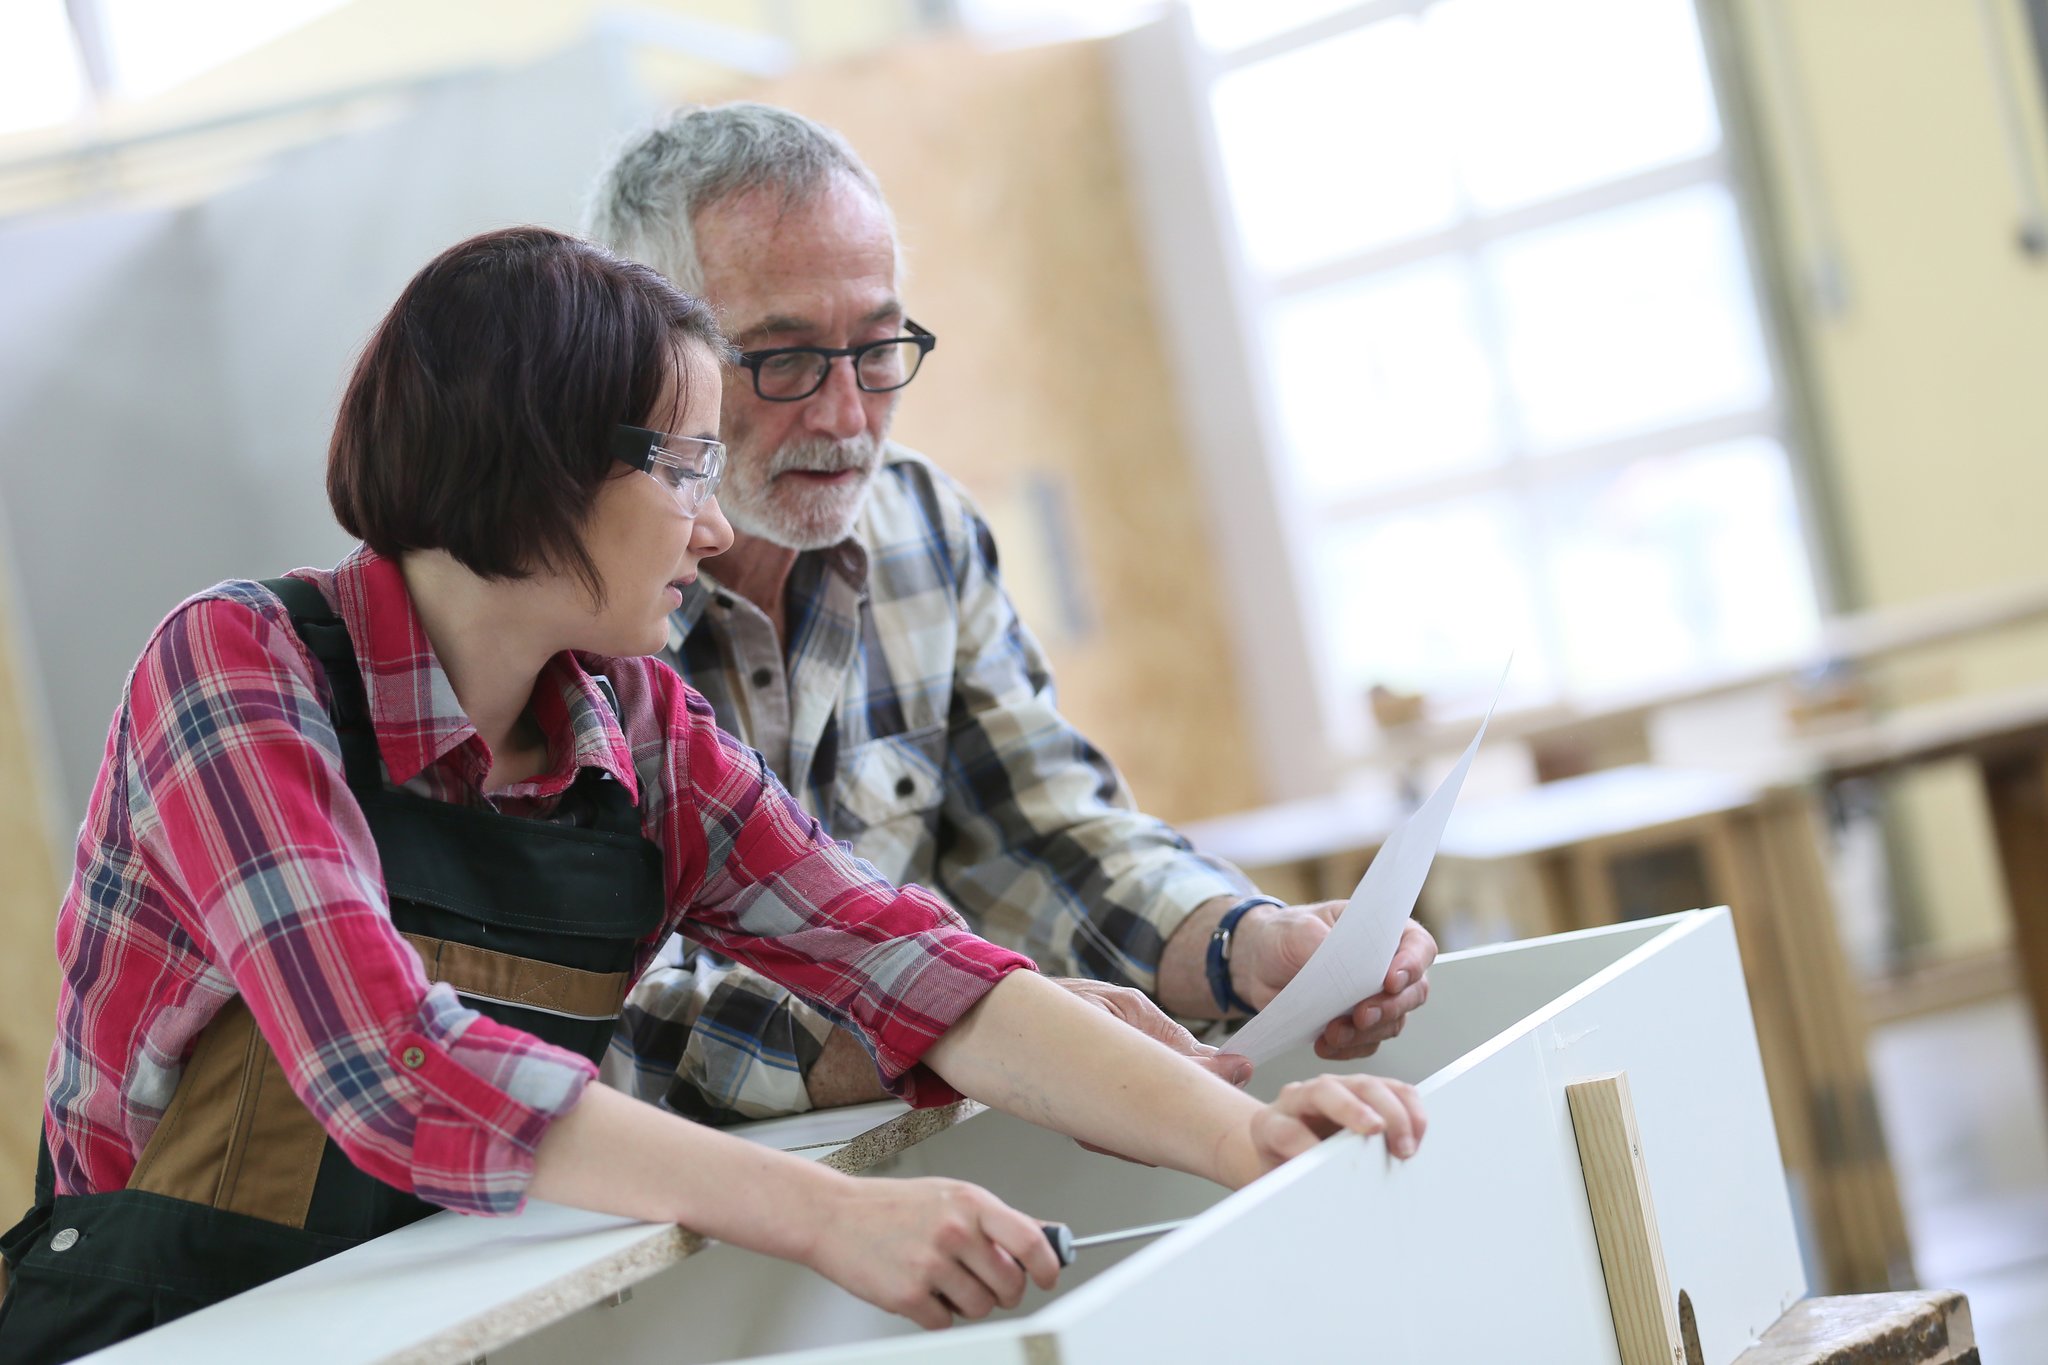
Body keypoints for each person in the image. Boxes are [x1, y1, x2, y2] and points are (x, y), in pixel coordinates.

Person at [0, 227, 1422, 1365]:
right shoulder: (239, 667)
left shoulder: (636, 724)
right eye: (681, 463)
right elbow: (388, 1062)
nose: (716, 518)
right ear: (541, 451)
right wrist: (832, 1218)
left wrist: (1248, 1135)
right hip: (167, 1326)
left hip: (444, 1310)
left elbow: (910, 961)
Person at [584, 104, 1438, 1123]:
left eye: (876, 346)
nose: (846, 415)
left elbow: (1044, 834)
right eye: (784, 360)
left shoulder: (922, 528)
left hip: (913, 1161)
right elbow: (602, 1016)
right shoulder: (573, 606)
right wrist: (966, 1028)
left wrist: (1239, 945)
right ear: (651, 363)